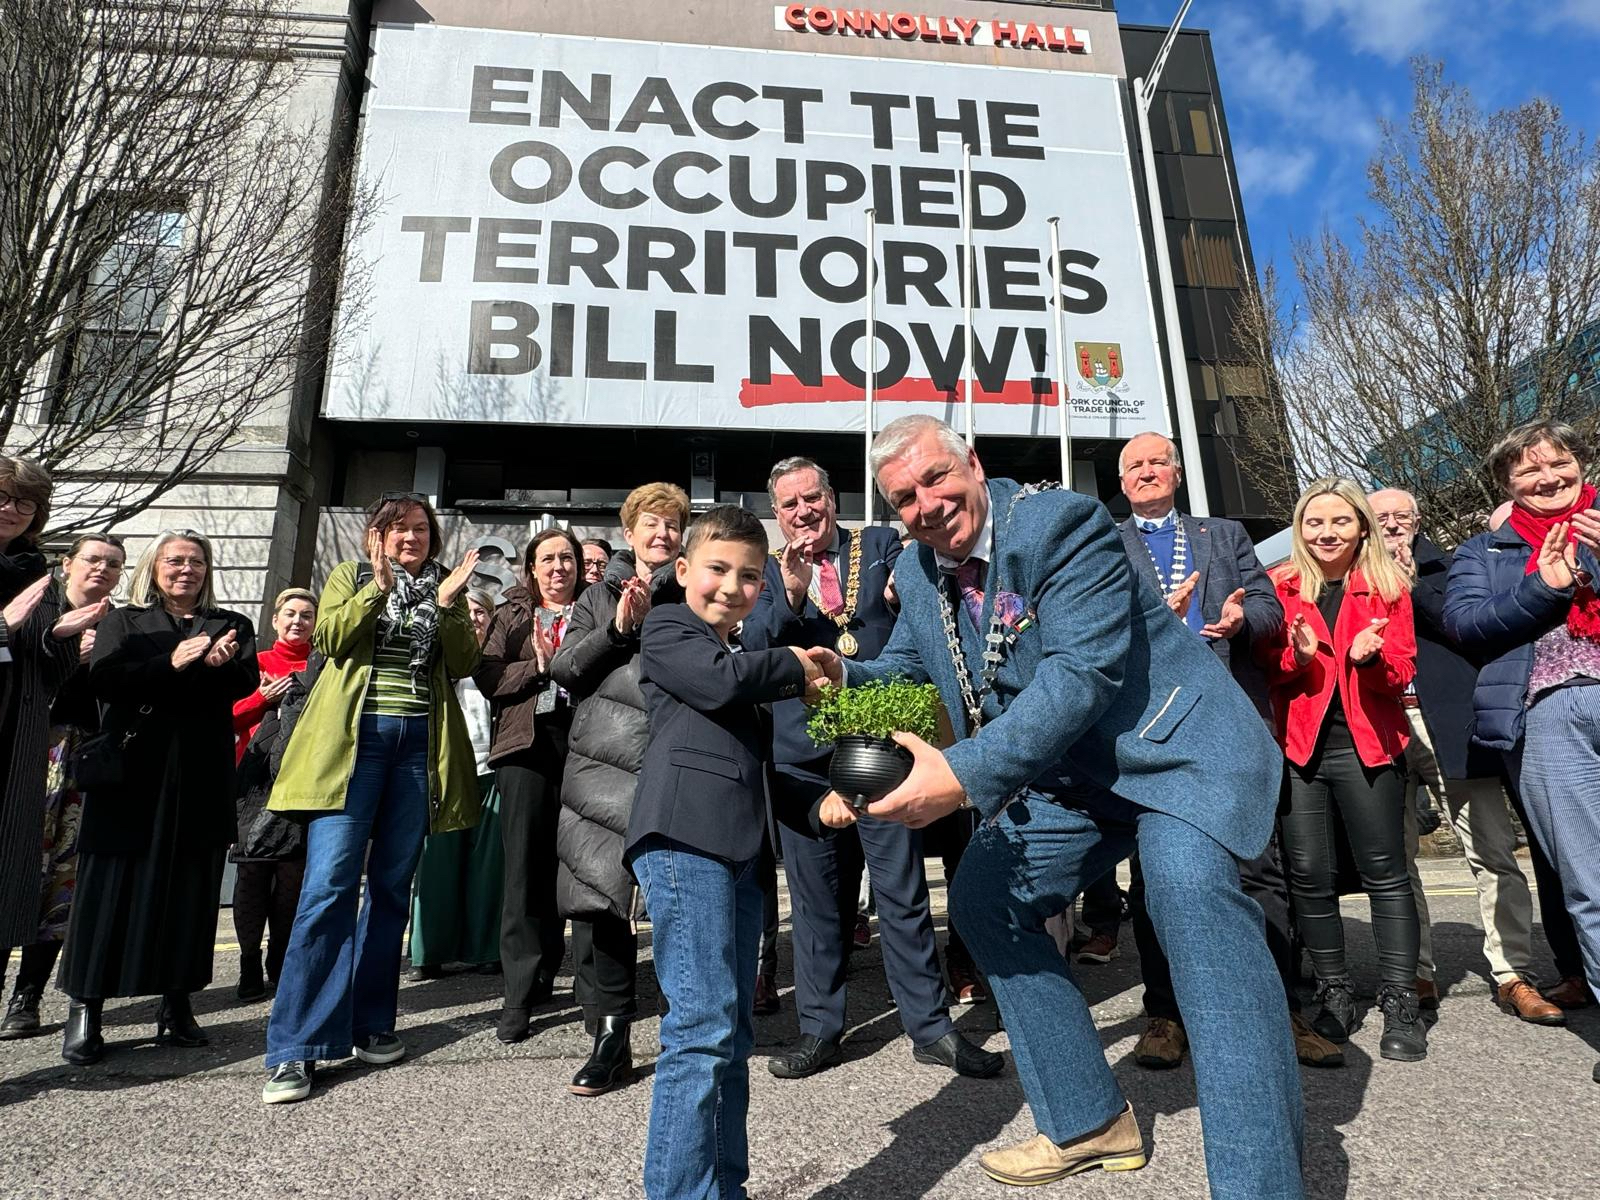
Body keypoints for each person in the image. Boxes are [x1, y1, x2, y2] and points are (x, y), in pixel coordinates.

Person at [821, 415, 1303, 1195]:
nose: (926, 505)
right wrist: (839, 675)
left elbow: (1079, 676)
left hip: (1172, 752)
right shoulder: (916, 568)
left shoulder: (1060, 524)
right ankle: (1088, 1122)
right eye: (904, 497)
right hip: (1072, 776)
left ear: (974, 464)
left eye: (937, 478)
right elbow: (910, 667)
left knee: (1190, 904)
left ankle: (1261, 1184)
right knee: (984, 901)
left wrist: (961, 775)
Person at [742, 456, 1001, 1082]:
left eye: (812, 497)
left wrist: (906, 583)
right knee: (816, 903)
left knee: (902, 893)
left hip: (881, 747)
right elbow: (754, 647)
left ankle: (931, 1028)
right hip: (803, 759)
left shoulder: (882, 544)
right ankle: (819, 1030)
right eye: (789, 504)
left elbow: (928, 576)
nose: (803, 511)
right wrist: (792, 595)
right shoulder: (767, 571)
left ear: (831, 498)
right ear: (776, 514)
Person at [1116, 433, 1341, 1069]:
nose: (1147, 472)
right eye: (1135, 466)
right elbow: (1093, 627)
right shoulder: (1106, 541)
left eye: (1158, 462)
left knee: (1258, 866)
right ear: (1123, 481)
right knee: (1154, 873)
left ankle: (1282, 1010)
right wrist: (1155, 619)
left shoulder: (1224, 534)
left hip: (1230, 717)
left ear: (1177, 473)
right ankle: (1165, 1015)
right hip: (1152, 724)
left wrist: (1244, 620)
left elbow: (1269, 607)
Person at [625, 504, 828, 1200]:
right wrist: (797, 663)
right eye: (718, 569)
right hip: (685, 840)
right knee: (701, 1026)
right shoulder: (668, 628)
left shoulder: (741, 661)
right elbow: (719, 682)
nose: (732, 587)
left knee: (730, 1033)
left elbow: (759, 770)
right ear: (682, 570)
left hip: (740, 850)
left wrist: (820, 806)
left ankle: (723, 1187)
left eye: (749, 577)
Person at [262, 493, 481, 1104]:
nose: (412, 537)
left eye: (421, 529)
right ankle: (297, 1045)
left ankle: (370, 1022)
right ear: (376, 536)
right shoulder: (350, 576)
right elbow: (330, 638)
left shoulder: (445, 585)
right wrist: (378, 590)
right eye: (398, 528)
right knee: (328, 887)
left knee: (390, 889)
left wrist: (448, 606)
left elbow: (463, 661)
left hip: (418, 747)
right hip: (352, 747)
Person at [57, 530, 257, 1064]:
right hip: (132, 774)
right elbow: (105, 680)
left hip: (199, 776)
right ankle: (86, 1008)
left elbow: (245, 685)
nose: (186, 570)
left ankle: (177, 1005)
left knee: (190, 891)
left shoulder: (232, 624)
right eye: (175, 561)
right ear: (155, 567)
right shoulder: (123, 621)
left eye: (196, 562)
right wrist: (171, 663)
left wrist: (216, 667)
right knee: (108, 889)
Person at [1368, 486, 1564, 1025]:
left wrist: (1412, 583)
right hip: (1381, 727)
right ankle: (1415, 971)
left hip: (1451, 726)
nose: (1392, 525)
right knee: (1394, 860)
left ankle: (1513, 974)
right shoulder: (1350, 574)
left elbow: (1473, 632)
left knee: (1491, 851)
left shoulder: (1454, 565)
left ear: (1417, 521)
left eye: (1402, 516)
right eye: (1380, 517)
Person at [1443, 420, 1600, 1085]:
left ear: (1580, 464)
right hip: (1547, 713)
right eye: (1528, 470)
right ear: (1508, 483)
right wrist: (1545, 586)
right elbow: (1466, 625)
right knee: (1589, 880)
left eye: (1557, 463)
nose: (1546, 477)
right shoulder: (1485, 550)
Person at [1257, 479, 1425, 1062]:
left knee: (1386, 874)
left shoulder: (1388, 586)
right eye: (1314, 523)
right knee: (1308, 876)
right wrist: (1295, 657)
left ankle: (1401, 1002)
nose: (1326, 533)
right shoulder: (1281, 586)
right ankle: (1334, 994)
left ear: (1360, 528)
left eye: (1339, 522)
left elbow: (1403, 670)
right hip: (1301, 748)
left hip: (1368, 746)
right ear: (1300, 530)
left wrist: (1371, 659)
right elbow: (1266, 666)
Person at [549, 484, 688, 1094]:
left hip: (674, 755)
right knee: (600, 893)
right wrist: (618, 628)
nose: (662, 534)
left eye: (672, 525)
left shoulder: (693, 589)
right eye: (650, 524)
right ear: (629, 533)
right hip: (603, 759)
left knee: (678, 893)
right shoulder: (596, 595)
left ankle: (686, 1022)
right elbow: (564, 669)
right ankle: (611, 1035)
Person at [0, 533, 123, 1039]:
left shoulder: (117, 623)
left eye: (113, 564)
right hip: (26, 751)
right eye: (93, 559)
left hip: (83, 759)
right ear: (67, 563)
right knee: (13, 866)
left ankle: (27, 996)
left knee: (61, 878)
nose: (102, 569)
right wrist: (64, 647)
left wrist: (101, 664)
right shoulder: (33, 608)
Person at [477, 526, 585, 1043]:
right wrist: (537, 667)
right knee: (524, 869)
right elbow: (488, 676)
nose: (558, 567)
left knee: (579, 865)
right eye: (548, 559)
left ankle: (575, 977)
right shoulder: (511, 614)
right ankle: (519, 992)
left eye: (567, 558)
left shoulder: (595, 610)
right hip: (525, 745)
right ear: (532, 568)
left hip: (584, 745)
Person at [0, 461, 105, 982]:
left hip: (20, 744)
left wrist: (60, 639)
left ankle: (20, 993)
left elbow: (44, 673)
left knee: (12, 884)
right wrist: (2, 627)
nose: (12, 509)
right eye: (3, 496)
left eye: (26, 502)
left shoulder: (31, 571)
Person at [407, 587, 504, 980]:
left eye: (482, 611)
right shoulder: (439, 656)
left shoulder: (499, 659)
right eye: (467, 611)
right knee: (436, 864)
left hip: (491, 769)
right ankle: (429, 952)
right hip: (445, 770)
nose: (475, 618)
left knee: (488, 866)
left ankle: (485, 949)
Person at [229, 587, 317, 1002]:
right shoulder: (256, 663)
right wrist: (262, 698)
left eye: (307, 615)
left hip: (302, 780)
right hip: (254, 781)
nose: (298, 621)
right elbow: (227, 718)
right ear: (275, 621)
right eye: (291, 614)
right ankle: (248, 960)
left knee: (291, 881)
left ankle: (280, 958)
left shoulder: (322, 667)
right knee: (252, 875)